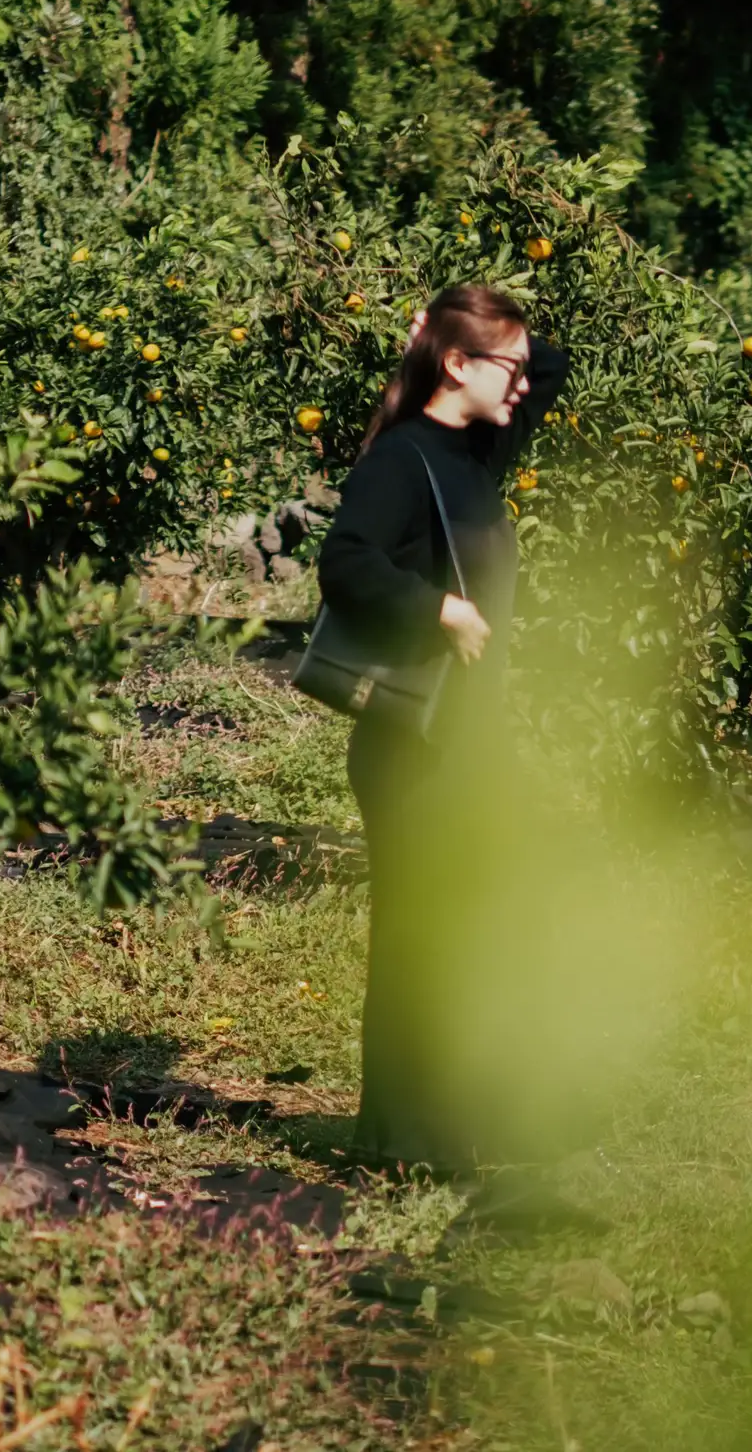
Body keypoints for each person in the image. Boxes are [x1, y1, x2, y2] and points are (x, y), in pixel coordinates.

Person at [314, 284, 568, 1169]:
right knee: (421, 931)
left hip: (470, 743)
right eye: (508, 369)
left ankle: (452, 1121)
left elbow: (560, 366)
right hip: (413, 747)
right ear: (457, 367)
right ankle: (403, 1139)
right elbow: (344, 563)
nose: (525, 387)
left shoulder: (476, 454)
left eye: (522, 370)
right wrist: (440, 612)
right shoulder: (403, 462)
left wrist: (447, 330)